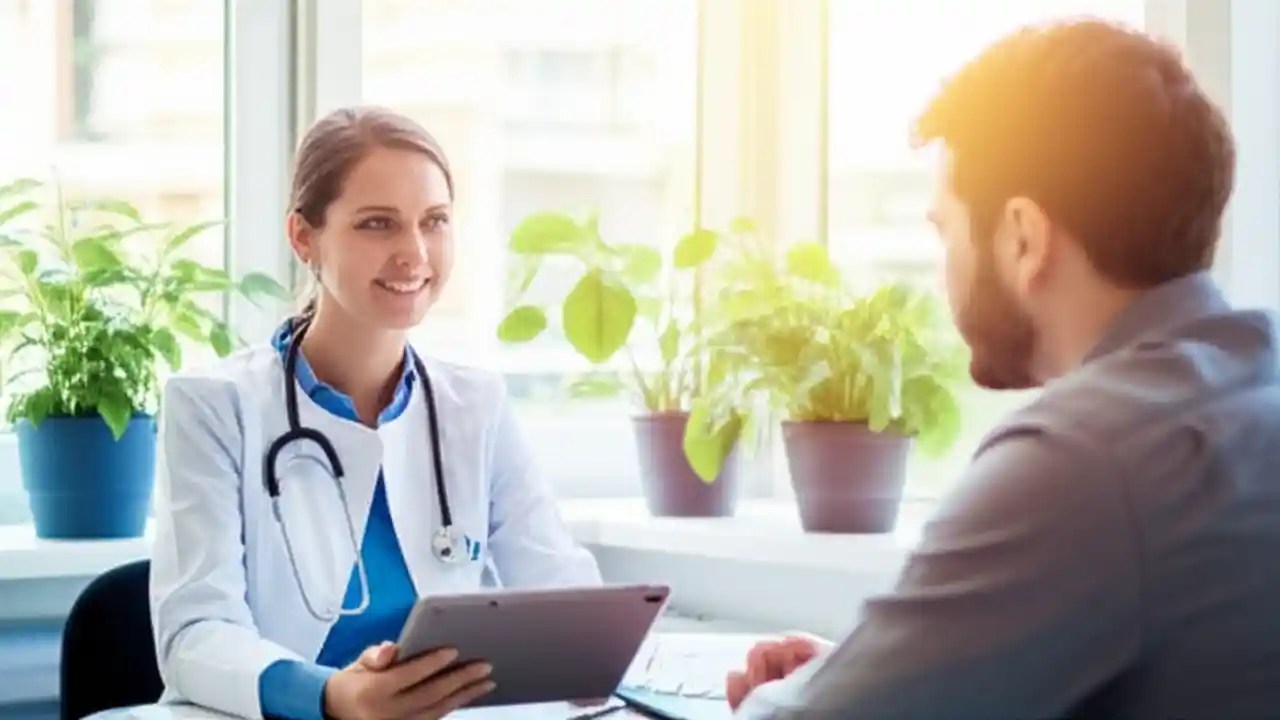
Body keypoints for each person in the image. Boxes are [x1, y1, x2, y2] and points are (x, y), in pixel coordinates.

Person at [726, 18, 1280, 719]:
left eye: (946, 231)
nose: (945, 274)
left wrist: (782, 697)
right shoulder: (1250, 392)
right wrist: (866, 672)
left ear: (1023, 236)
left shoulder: (1086, 457)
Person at [149, 106, 602, 720]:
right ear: (303, 238)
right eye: (377, 224)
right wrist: (332, 696)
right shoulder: (213, 406)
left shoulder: (477, 407)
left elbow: (562, 592)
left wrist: (594, 659)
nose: (414, 253)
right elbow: (195, 634)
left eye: (434, 222)